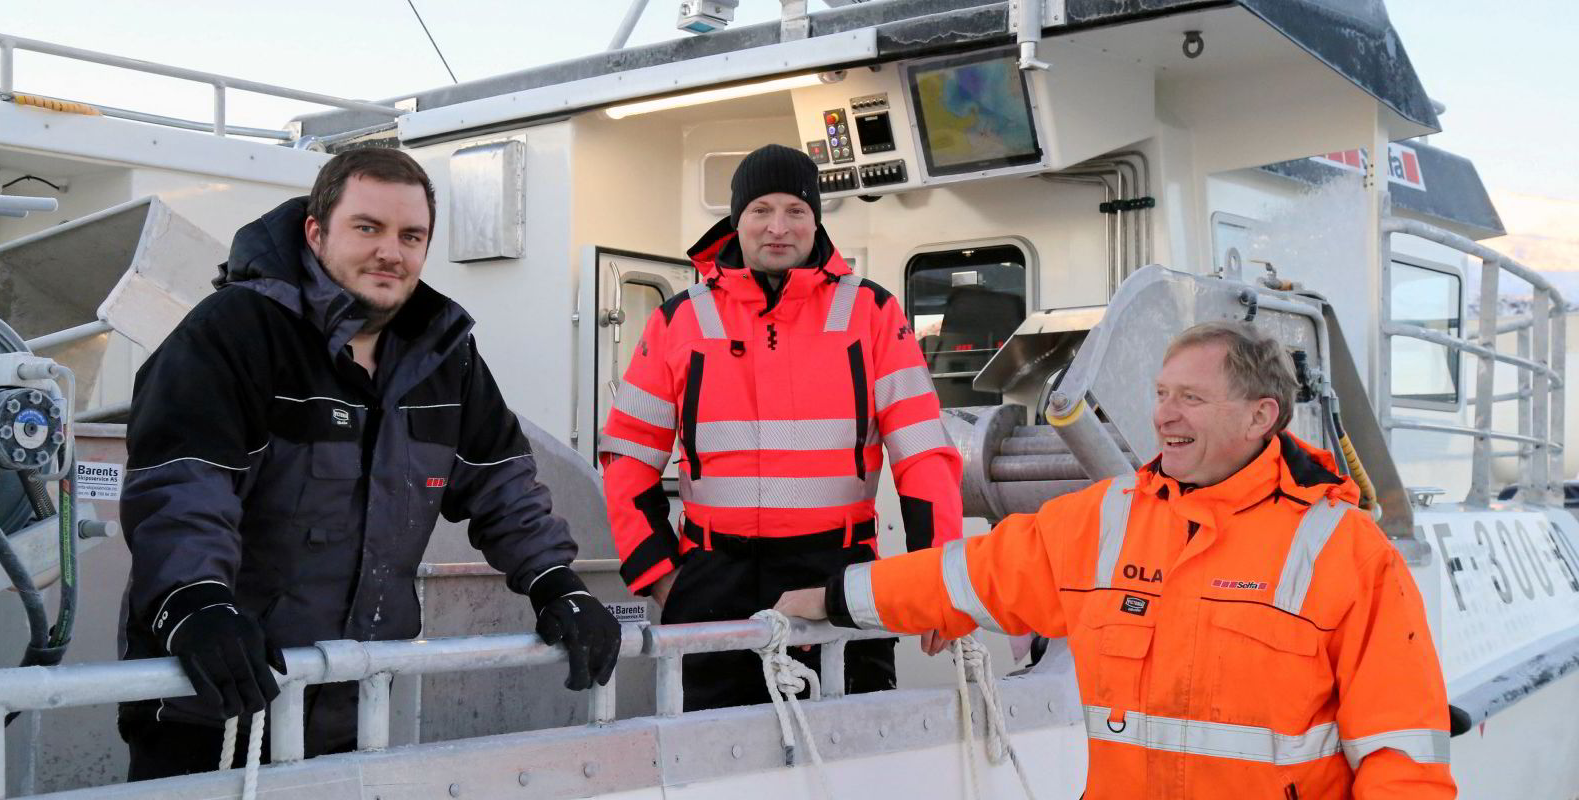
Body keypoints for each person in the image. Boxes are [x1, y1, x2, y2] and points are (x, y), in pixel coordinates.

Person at [777, 321, 1456, 798]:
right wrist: (835, 599)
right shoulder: (1107, 517)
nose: (1164, 416)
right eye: (1161, 394)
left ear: (1259, 418)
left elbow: (1402, 752)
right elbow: (972, 574)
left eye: (1191, 398)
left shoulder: (1346, 550)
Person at [118, 148, 620, 779]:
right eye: (368, 228)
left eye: (411, 236)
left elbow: (500, 483)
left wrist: (558, 586)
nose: (392, 252)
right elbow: (184, 483)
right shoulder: (237, 330)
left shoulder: (445, 355)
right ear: (315, 231)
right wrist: (196, 604)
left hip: (352, 705)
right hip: (217, 700)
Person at [600, 144, 963, 711]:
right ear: (735, 219)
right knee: (715, 763)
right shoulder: (679, 320)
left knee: (848, 753)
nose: (778, 227)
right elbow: (627, 455)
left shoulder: (871, 312)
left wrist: (937, 579)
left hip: (839, 579)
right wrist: (658, 572)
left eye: (795, 210)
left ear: (815, 219)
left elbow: (923, 453)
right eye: (760, 210)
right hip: (712, 581)